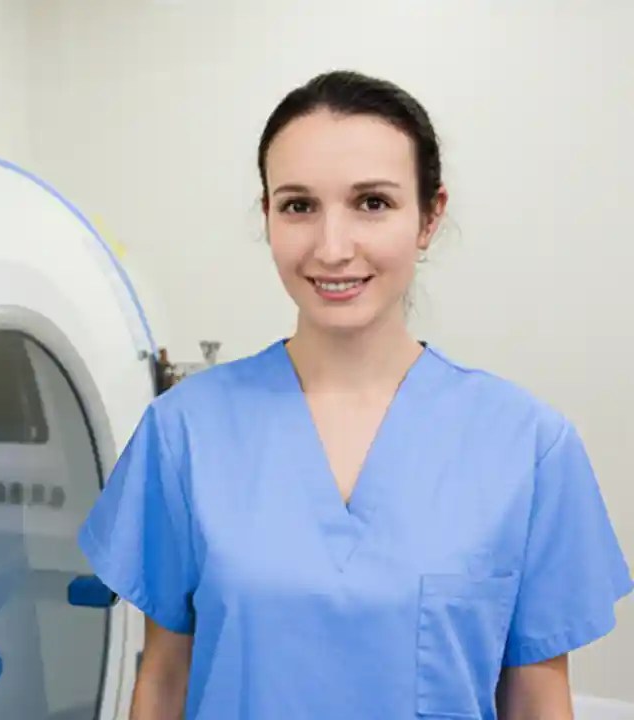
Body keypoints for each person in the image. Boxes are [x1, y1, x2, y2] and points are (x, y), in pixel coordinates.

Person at [77, 70, 633, 720]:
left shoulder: (528, 446)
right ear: (268, 215)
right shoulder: (184, 434)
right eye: (299, 206)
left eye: (372, 202)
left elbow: (538, 701)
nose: (333, 248)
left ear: (429, 216)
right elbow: (164, 679)